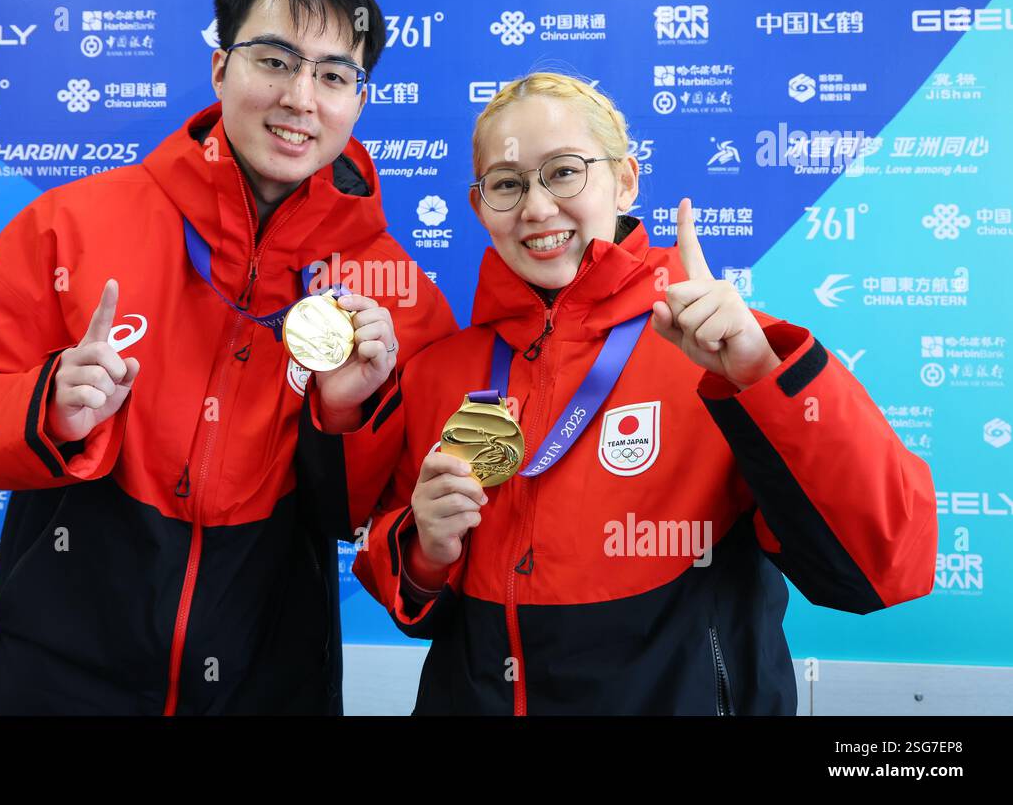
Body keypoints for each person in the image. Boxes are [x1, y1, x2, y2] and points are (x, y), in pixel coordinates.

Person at [0, 0, 458, 714]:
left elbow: (378, 526)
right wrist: (48, 410)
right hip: (56, 676)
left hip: (271, 681)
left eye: (335, 75)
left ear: (358, 99)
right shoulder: (72, 226)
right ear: (219, 68)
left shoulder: (397, 297)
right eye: (274, 59)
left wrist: (345, 416)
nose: (301, 98)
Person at [351, 72, 937, 714]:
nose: (537, 208)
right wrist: (424, 551)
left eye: (564, 171)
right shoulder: (440, 371)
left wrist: (760, 380)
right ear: (479, 205)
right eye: (508, 184)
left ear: (626, 179)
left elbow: (884, 565)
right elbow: (406, 593)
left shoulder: (724, 353)